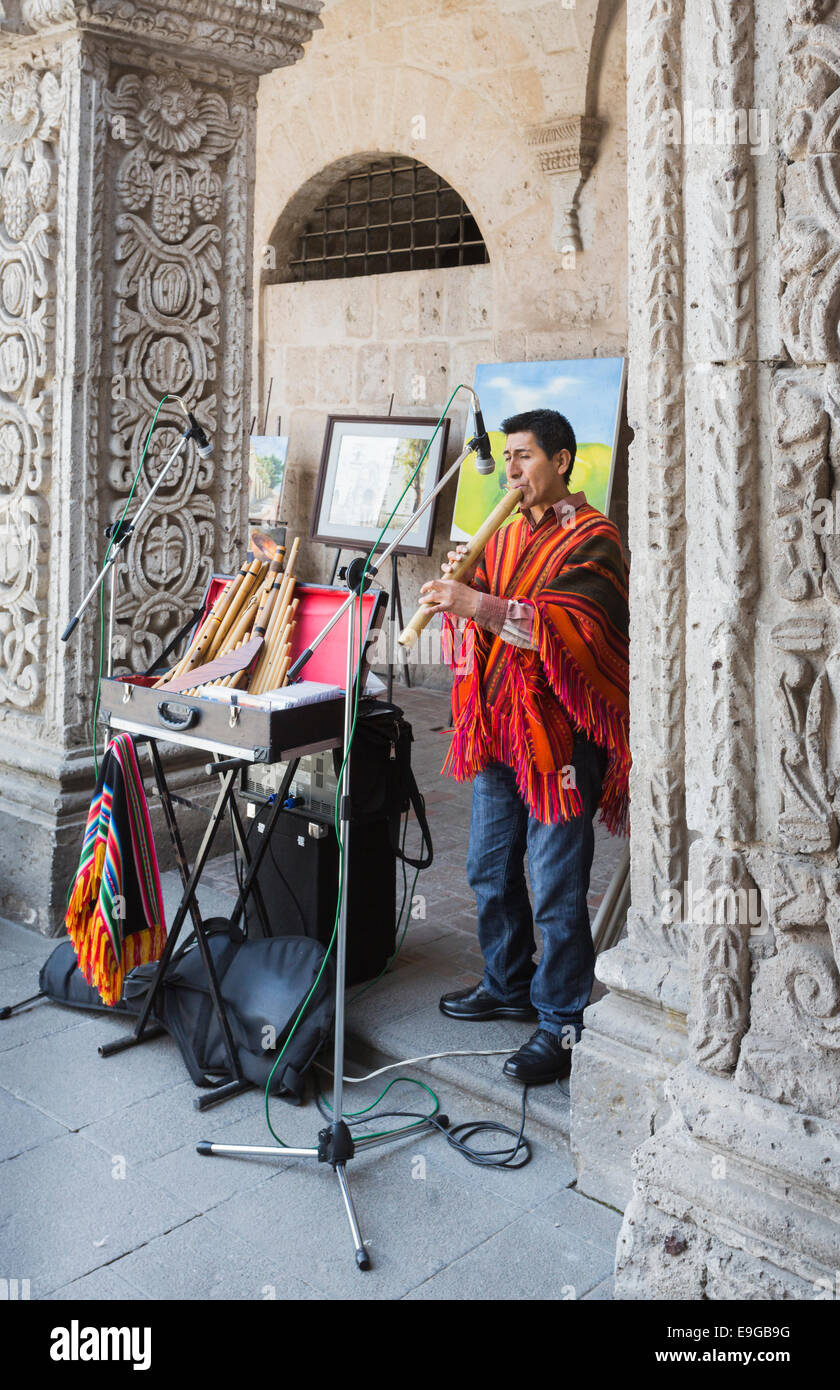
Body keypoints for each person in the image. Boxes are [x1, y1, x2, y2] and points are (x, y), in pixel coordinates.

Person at [418, 409, 630, 1084]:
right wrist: (466, 590)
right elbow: (490, 612)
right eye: (506, 457)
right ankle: (507, 981)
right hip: (501, 730)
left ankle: (561, 1021)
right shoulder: (506, 538)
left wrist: (475, 603)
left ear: (562, 461)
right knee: (486, 869)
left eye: (525, 456)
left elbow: (571, 632)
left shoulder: (595, 538)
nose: (511, 470)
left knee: (558, 888)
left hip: (560, 743)